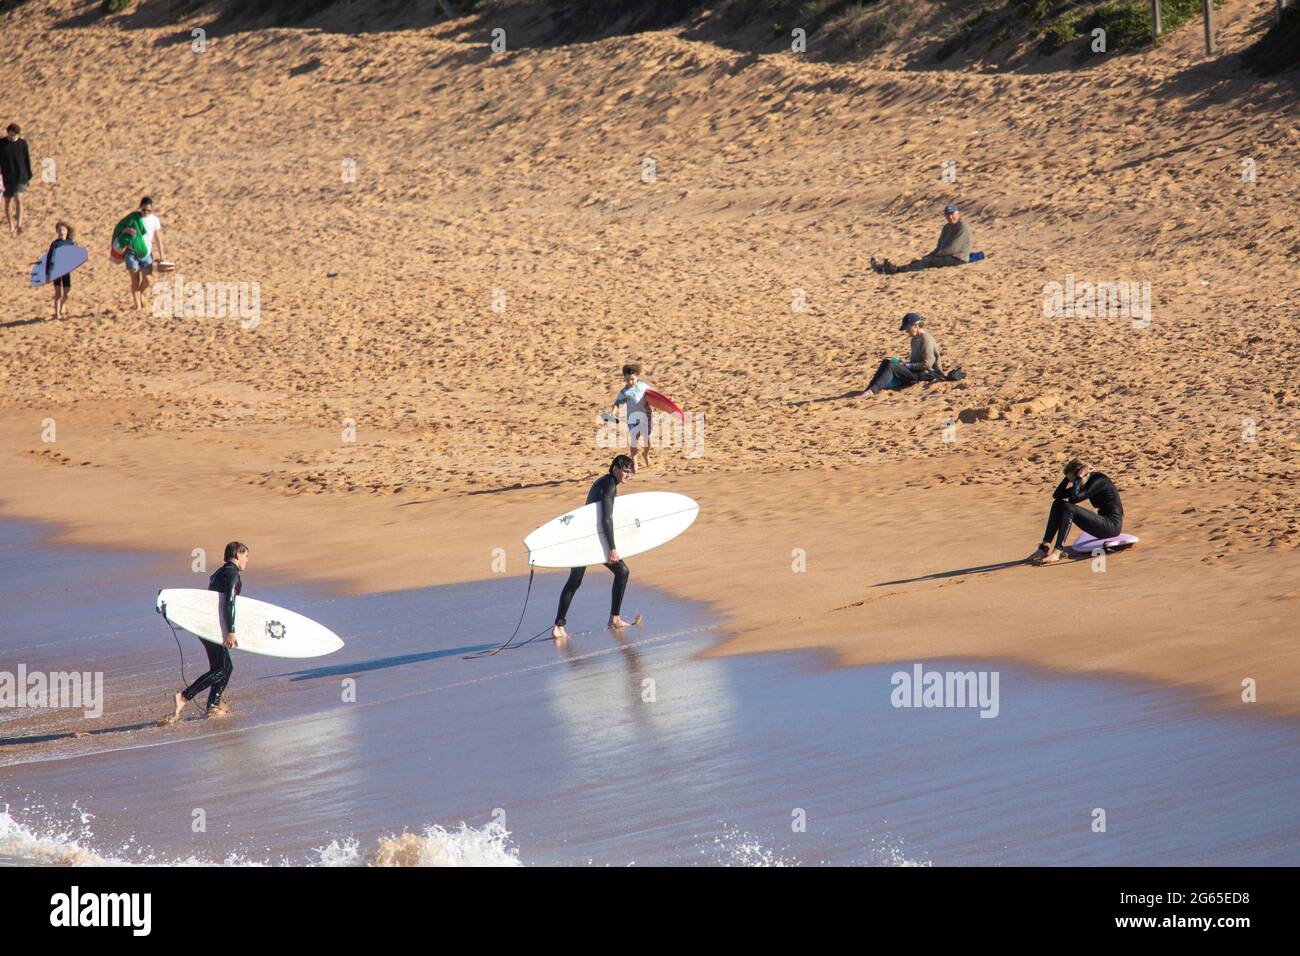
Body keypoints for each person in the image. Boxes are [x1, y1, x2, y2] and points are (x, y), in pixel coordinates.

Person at [551, 456, 640, 642]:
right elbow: (606, 519)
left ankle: (561, 626)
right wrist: (612, 548)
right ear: (615, 468)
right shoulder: (609, 485)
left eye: (629, 472)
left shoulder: (604, 482)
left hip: (586, 537)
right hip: (589, 540)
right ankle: (609, 620)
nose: (627, 475)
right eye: (624, 470)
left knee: (577, 581)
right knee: (619, 572)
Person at [163, 542, 248, 723]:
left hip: (206, 626)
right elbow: (229, 603)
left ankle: (212, 706)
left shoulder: (218, 573)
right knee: (222, 669)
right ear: (238, 555)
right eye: (246, 556)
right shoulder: (232, 574)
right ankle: (184, 697)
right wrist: (231, 631)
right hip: (214, 627)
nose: (247, 560)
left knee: (224, 668)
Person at [1029, 460, 1123, 565]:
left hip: (1111, 526)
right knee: (1057, 504)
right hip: (1102, 523)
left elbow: (1074, 499)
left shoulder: (1100, 480)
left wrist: (1078, 477)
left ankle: (1057, 552)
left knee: (1069, 508)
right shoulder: (1084, 480)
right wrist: (1068, 478)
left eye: (1074, 481)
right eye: (1072, 482)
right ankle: (1043, 548)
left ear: (1084, 474)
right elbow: (1057, 495)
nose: (1074, 484)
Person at [872, 204, 972, 275]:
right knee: (921, 260)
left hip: (958, 258)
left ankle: (896, 270)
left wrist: (933, 257)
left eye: (952, 213)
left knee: (927, 262)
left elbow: (953, 248)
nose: (950, 217)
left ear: (957, 213)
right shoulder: (946, 227)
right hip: (946, 255)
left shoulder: (962, 227)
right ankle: (885, 268)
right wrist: (929, 255)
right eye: (948, 214)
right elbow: (940, 246)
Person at [865, 313, 944, 395]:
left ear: (915, 326)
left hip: (929, 374)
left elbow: (927, 364)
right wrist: (903, 363)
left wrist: (907, 365)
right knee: (887, 362)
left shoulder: (926, 339)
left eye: (907, 328)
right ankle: (870, 388)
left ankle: (872, 391)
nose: (906, 331)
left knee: (892, 366)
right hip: (917, 371)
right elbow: (915, 361)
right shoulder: (914, 339)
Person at [113, 196, 165, 309]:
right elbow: (119, 229)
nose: (145, 212)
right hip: (131, 253)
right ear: (140, 208)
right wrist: (126, 230)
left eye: (148, 210)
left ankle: (140, 293)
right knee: (135, 279)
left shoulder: (154, 220)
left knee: (148, 280)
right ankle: (138, 307)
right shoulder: (132, 218)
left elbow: (158, 238)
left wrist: (162, 256)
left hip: (146, 254)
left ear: (152, 210)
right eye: (143, 209)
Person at [612, 363, 653, 472]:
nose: (630, 382)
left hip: (646, 416)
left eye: (632, 379)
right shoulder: (624, 392)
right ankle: (634, 461)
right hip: (633, 418)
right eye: (627, 380)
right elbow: (617, 403)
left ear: (637, 377)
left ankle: (645, 454)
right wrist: (613, 413)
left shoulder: (643, 386)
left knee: (648, 440)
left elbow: (654, 397)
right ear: (624, 378)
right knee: (635, 439)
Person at [0, 123, 33, 237]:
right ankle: (11, 226)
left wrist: (29, 176)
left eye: (13, 136)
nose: (11, 137)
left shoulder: (22, 143)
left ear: (18, 134)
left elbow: (26, 160)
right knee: (8, 202)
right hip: (6, 177)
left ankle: (19, 225)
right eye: (9, 135)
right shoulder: (2, 144)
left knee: (18, 199)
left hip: (20, 176)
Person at [45, 221, 75, 320]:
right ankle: (57, 314)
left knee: (67, 293)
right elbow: (49, 258)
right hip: (56, 270)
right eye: (59, 230)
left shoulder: (71, 243)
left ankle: (62, 305)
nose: (61, 232)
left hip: (66, 271)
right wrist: (48, 274)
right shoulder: (55, 244)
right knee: (58, 292)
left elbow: (74, 256)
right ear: (57, 232)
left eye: (63, 230)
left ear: (67, 231)